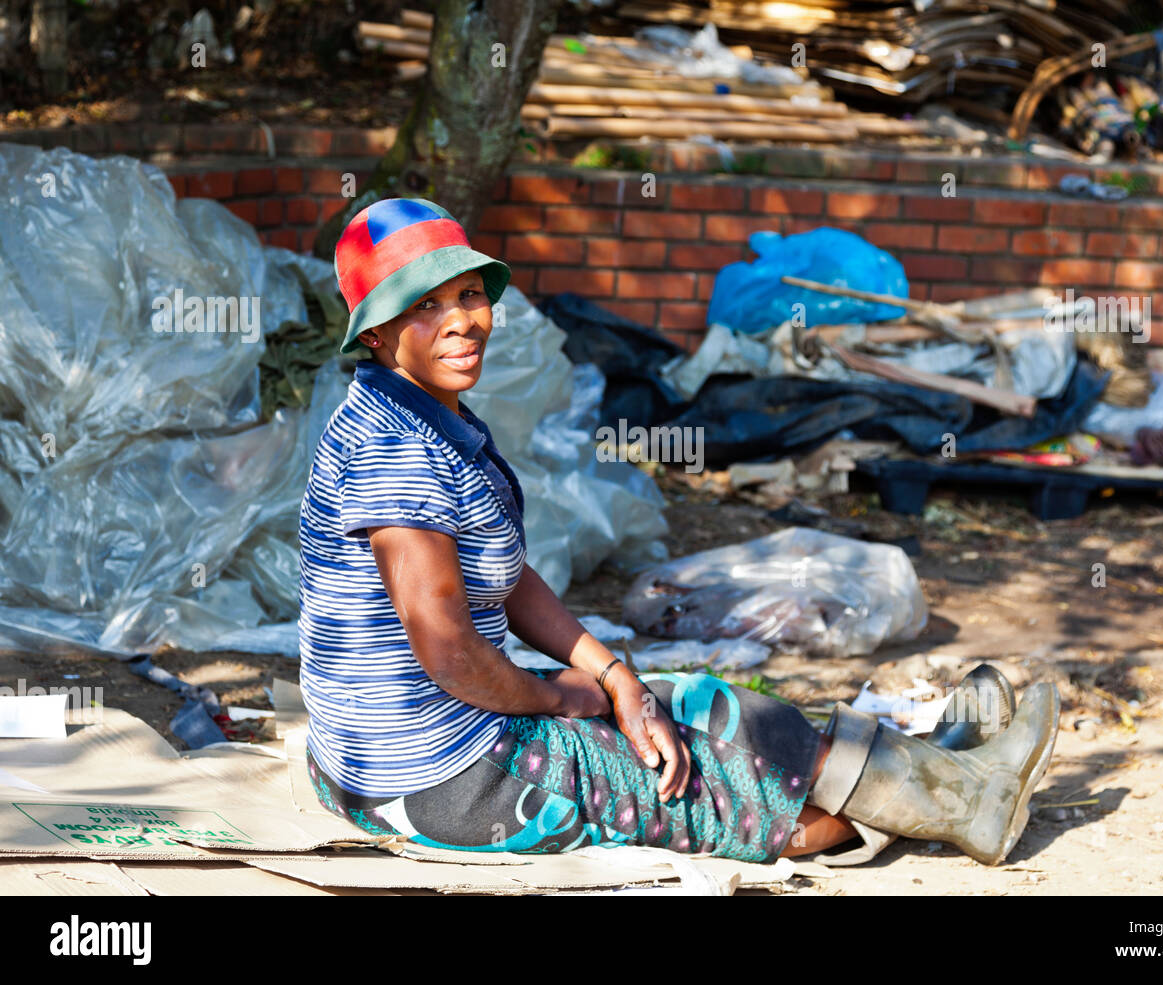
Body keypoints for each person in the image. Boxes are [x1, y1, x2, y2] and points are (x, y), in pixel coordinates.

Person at [297, 197, 1061, 864]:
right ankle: (962, 798)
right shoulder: (394, 449)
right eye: (425, 306)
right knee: (727, 775)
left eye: (469, 294)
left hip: (422, 749)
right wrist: (551, 697)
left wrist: (612, 673)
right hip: (440, 774)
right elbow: (452, 650)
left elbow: (506, 576)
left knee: (686, 704)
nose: (462, 319)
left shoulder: (429, 416)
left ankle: (940, 773)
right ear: (374, 333)